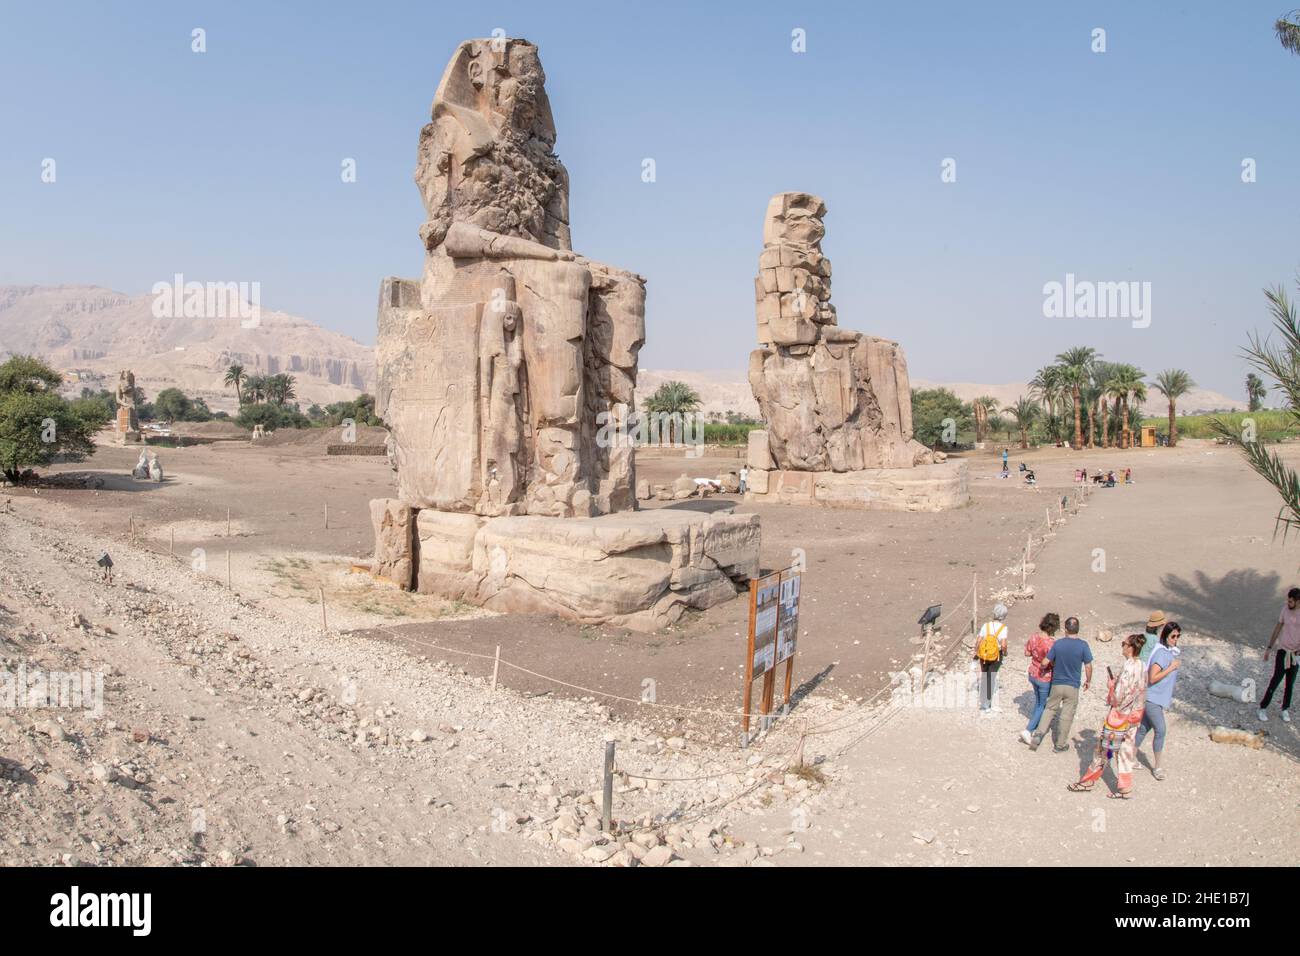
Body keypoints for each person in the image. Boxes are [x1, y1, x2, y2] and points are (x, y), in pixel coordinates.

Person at [1068, 633, 1149, 798]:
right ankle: (1125, 788)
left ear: (1130, 648)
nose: (1122, 646)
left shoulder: (1128, 667)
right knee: (1125, 751)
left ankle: (1088, 781)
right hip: (1134, 716)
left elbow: (1118, 697)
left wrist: (1111, 686)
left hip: (1119, 717)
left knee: (1104, 750)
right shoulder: (1142, 665)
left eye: (1123, 644)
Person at [1027, 616, 1093, 752]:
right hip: (1073, 685)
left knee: (1049, 709)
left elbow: (1045, 662)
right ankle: (1060, 744)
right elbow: (1088, 665)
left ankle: (1038, 734)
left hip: (1057, 683)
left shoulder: (1058, 644)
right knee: (1066, 715)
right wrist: (1088, 680)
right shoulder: (1083, 645)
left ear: (1065, 629)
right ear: (1078, 629)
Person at [1136, 621, 1181, 779]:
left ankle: (1129, 756)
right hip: (1152, 699)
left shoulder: (1167, 652)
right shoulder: (1161, 653)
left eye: (1178, 636)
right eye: (1173, 636)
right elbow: (1152, 677)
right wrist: (1171, 668)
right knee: (1161, 730)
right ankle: (1157, 767)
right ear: (1165, 635)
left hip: (1156, 699)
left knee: (1143, 729)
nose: (1175, 639)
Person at [1259, 587, 1300, 723]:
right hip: (1283, 651)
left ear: (1298, 602)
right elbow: (1278, 628)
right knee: (1276, 680)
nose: (1288, 603)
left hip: (1295, 654)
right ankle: (1263, 707)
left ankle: (1285, 709)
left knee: (1290, 683)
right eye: (1288, 601)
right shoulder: (1285, 610)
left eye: (1291, 602)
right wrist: (1269, 648)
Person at [1021, 613, 1059, 744]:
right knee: (1042, 704)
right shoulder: (1052, 643)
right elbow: (1053, 662)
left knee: (1038, 702)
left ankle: (1034, 722)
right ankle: (1028, 730)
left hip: (1032, 672)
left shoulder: (1034, 637)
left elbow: (1027, 653)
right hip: (1044, 676)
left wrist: (1036, 654)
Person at [974, 604, 1010, 716]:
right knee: (992, 677)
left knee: (985, 675)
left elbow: (978, 640)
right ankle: (988, 704)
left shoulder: (986, 626)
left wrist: (976, 653)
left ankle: (983, 701)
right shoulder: (1003, 628)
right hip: (996, 655)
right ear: (1004, 616)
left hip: (984, 654)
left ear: (994, 613)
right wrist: (1005, 652)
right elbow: (1003, 644)